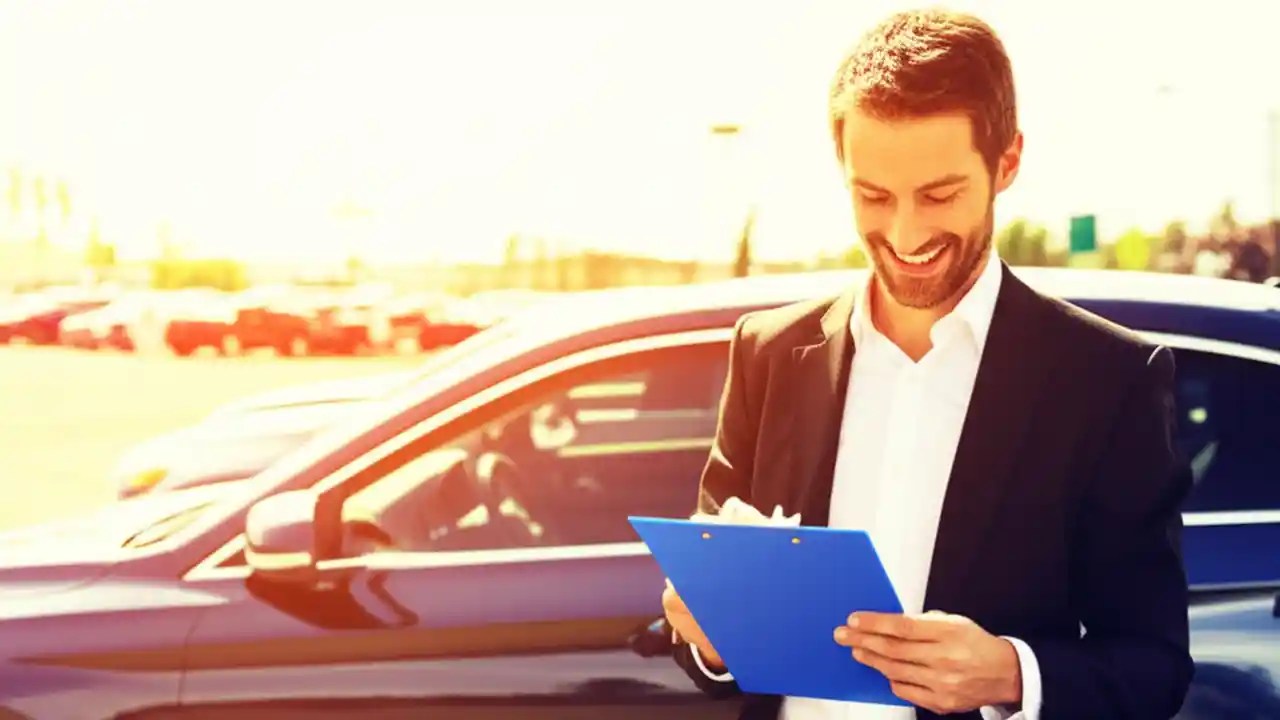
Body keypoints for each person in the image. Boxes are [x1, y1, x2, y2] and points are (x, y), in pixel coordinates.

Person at [661, 8, 1194, 720]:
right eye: (873, 196)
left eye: (939, 195)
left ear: (1006, 163)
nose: (905, 232)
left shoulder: (1108, 382)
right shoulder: (769, 354)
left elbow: (1155, 667)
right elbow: (713, 649)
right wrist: (709, 640)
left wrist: (1011, 674)